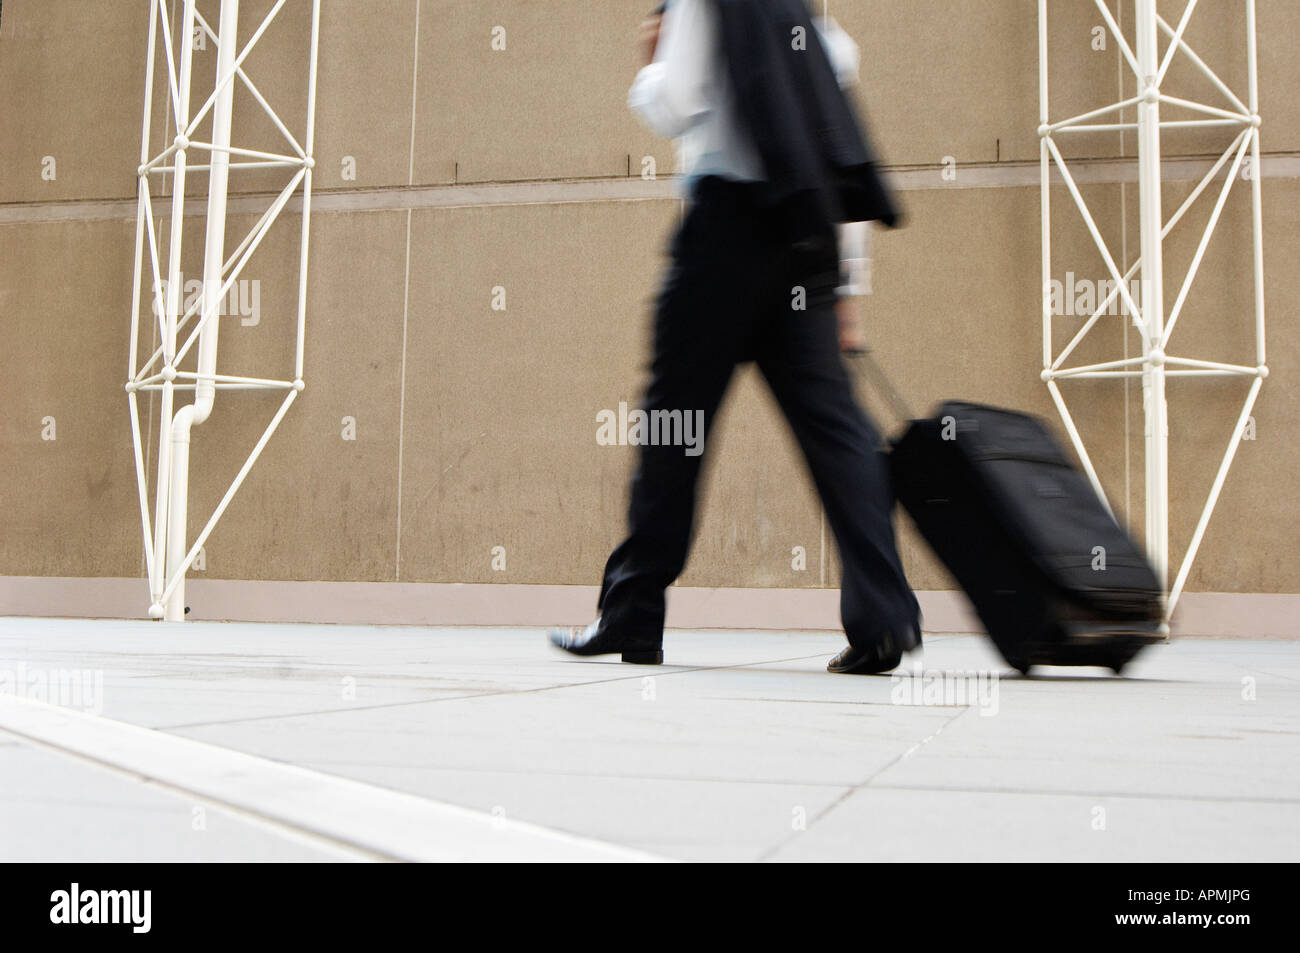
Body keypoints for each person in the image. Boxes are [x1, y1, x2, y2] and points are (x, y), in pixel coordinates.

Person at [549, 0, 920, 675]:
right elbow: (837, 148)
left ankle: (633, 614)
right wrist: (847, 295)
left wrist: (651, 63)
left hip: (725, 234)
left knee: (673, 425)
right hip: (807, 241)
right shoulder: (813, 23)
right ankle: (884, 619)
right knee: (838, 432)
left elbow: (678, 99)